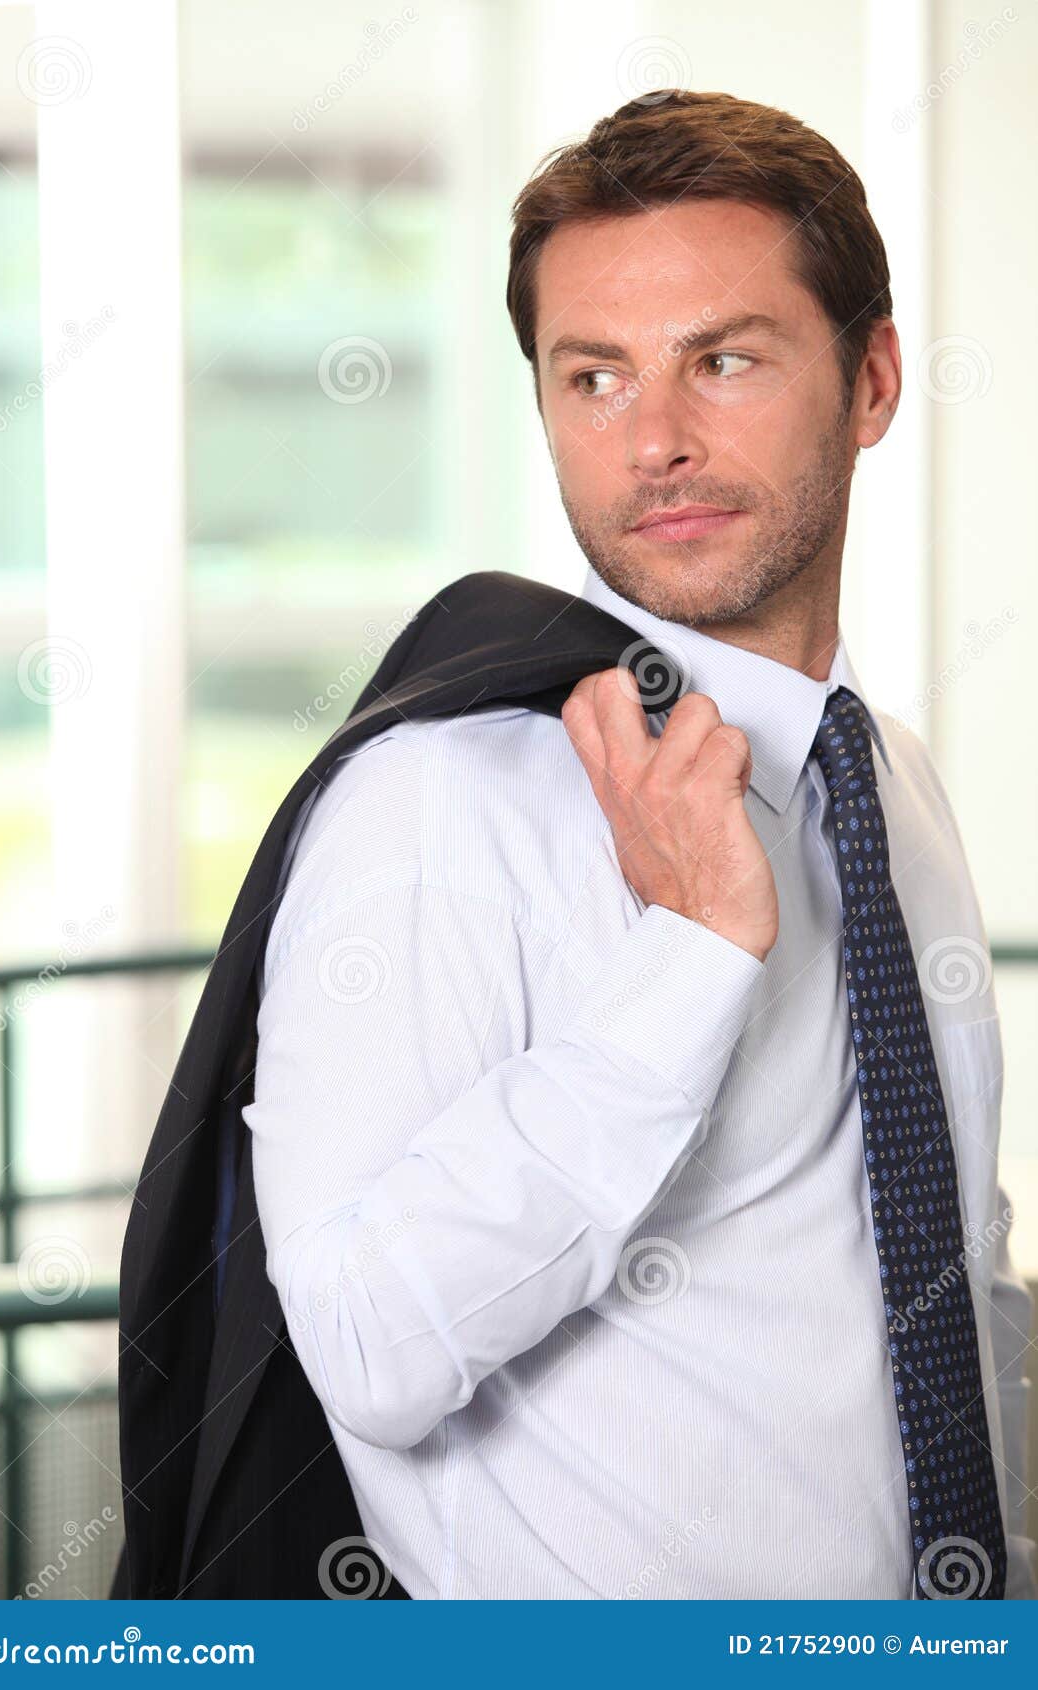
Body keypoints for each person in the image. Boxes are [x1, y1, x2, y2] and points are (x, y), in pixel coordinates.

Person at [242, 89, 1035, 1600]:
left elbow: (944, 1268)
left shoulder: (887, 781)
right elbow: (362, 1343)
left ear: (871, 380)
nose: (655, 441)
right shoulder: (442, 797)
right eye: (594, 377)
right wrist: (688, 959)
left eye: (722, 360)